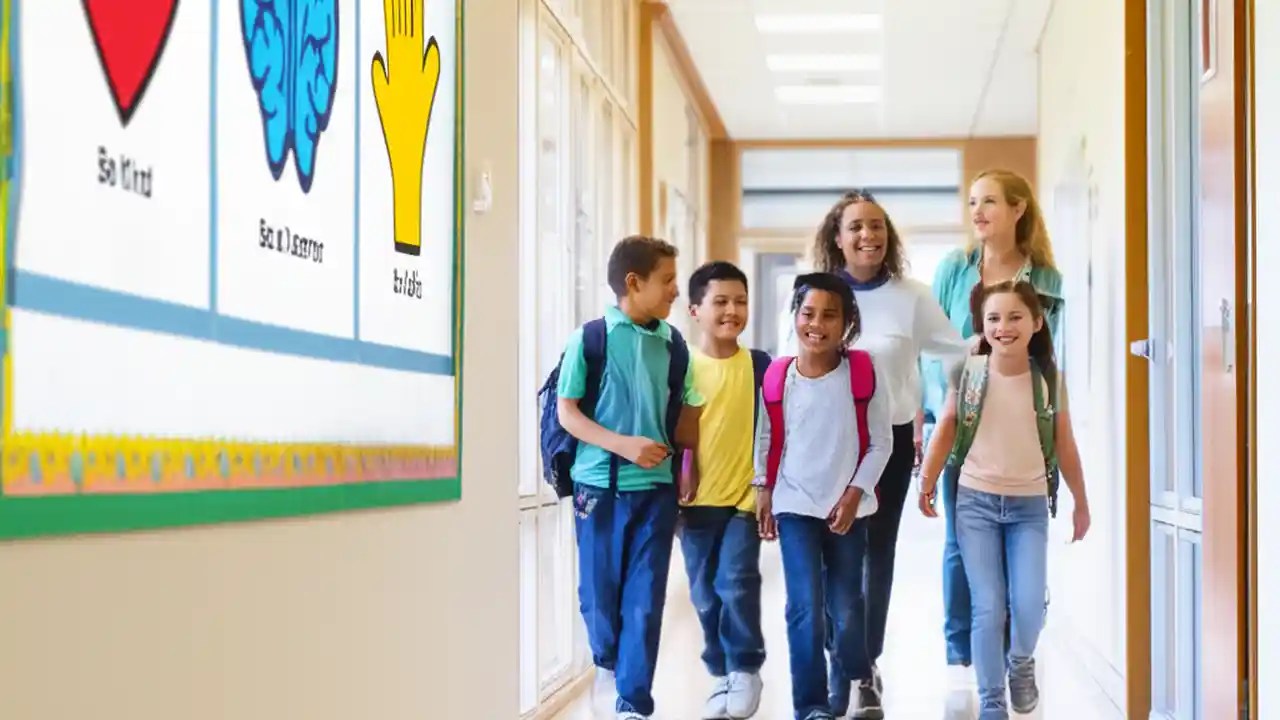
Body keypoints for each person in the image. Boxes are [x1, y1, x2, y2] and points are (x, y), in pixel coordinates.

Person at [809, 190, 968, 713]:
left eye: (876, 226)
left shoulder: (913, 296)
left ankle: (862, 669)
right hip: (831, 440)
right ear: (838, 237)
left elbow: (957, 351)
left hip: (892, 442)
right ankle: (840, 663)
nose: (867, 235)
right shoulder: (820, 295)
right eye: (855, 226)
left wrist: (1013, 346)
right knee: (835, 556)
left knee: (876, 557)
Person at [916, 280, 1090, 719]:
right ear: (982, 325)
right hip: (975, 504)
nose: (1004, 326)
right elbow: (948, 427)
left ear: (1036, 322)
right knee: (988, 607)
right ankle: (993, 704)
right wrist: (928, 481)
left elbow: (1065, 444)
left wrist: (1081, 503)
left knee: (1028, 606)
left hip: (1029, 507)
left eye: (1015, 317)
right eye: (994, 318)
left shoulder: (1049, 379)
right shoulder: (969, 373)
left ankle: (1021, 662)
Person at [555, 235, 705, 720]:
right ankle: (608, 663)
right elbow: (567, 414)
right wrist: (624, 445)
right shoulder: (591, 339)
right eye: (667, 281)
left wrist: (687, 464)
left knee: (645, 601)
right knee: (599, 598)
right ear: (633, 283)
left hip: (657, 493)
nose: (675, 292)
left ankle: (633, 702)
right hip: (597, 489)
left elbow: (684, 416)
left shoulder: (673, 343)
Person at [921, 169, 1065, 670]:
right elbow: (933, 345)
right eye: (973, 203)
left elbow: (1051, 357)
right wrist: (935, 416)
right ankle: (965, 647)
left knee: (1017, 549)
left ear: (1018, 208)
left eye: (989, 202)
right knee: (961, 543)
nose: (978, 212)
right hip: (961, 423)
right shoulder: (955, 269)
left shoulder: (1046, 279)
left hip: (1022, 426)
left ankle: (1012, 647)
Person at [754, 272, 892, 720]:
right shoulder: (778, 377)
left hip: (849, 510)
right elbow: (765, 439)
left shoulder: (865, 372)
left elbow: (881, 444)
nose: (817, 324)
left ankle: (855, 672)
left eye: (829, 315)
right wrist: (764, 490)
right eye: (807, 313)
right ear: (794, 316)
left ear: (847, 322)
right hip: (795, 506)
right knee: (803, 608)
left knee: (846, 608)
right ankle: (812, 705)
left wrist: (854, 495)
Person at [678, 260, 770, 720]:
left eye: (740, 301)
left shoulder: (759, 365)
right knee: (704, 593)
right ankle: (719, 671)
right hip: (693, 504)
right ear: (695, 309)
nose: (732, 310)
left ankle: (746, 666)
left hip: (743, 501)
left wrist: (766, 491)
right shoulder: (682, 366)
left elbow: (774, 435)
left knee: (736, 582)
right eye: (720, 302)